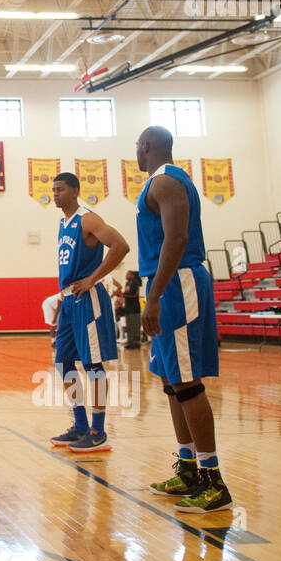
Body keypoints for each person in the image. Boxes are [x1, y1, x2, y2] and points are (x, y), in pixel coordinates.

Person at [136, 126, 231, 513]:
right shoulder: (165, 182)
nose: (137, 155)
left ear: (145, 148)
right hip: (169, 283)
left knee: (188, 384)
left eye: (138, 149)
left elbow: (175, 241)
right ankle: (189, 469)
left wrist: (155, 296)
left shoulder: (166, 182)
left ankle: (214, 482)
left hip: (178, 283)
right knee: (173, 381)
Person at [48, 173, 131, 454]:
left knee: (93, 365)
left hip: (88, 298)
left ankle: (98, 431)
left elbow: (121, 246)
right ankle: (80, 425)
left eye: (60, 189)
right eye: (53, 190)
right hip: (70, 299)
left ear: (75, 191)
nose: (55, 194)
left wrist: (94, 278)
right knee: (63, 363)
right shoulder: (63, 223)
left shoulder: (88, 219)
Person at [123, 272, 143, 348]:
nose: (126, 275)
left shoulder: (135, 283)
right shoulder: (127, 283)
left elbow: (135, 294)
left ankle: (136, 343)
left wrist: (124, 295)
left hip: (134, 309)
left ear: (132, 275)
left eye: (128, 274)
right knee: (129, 327)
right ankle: (130, 342)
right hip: (128, 309)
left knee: (135, 326)